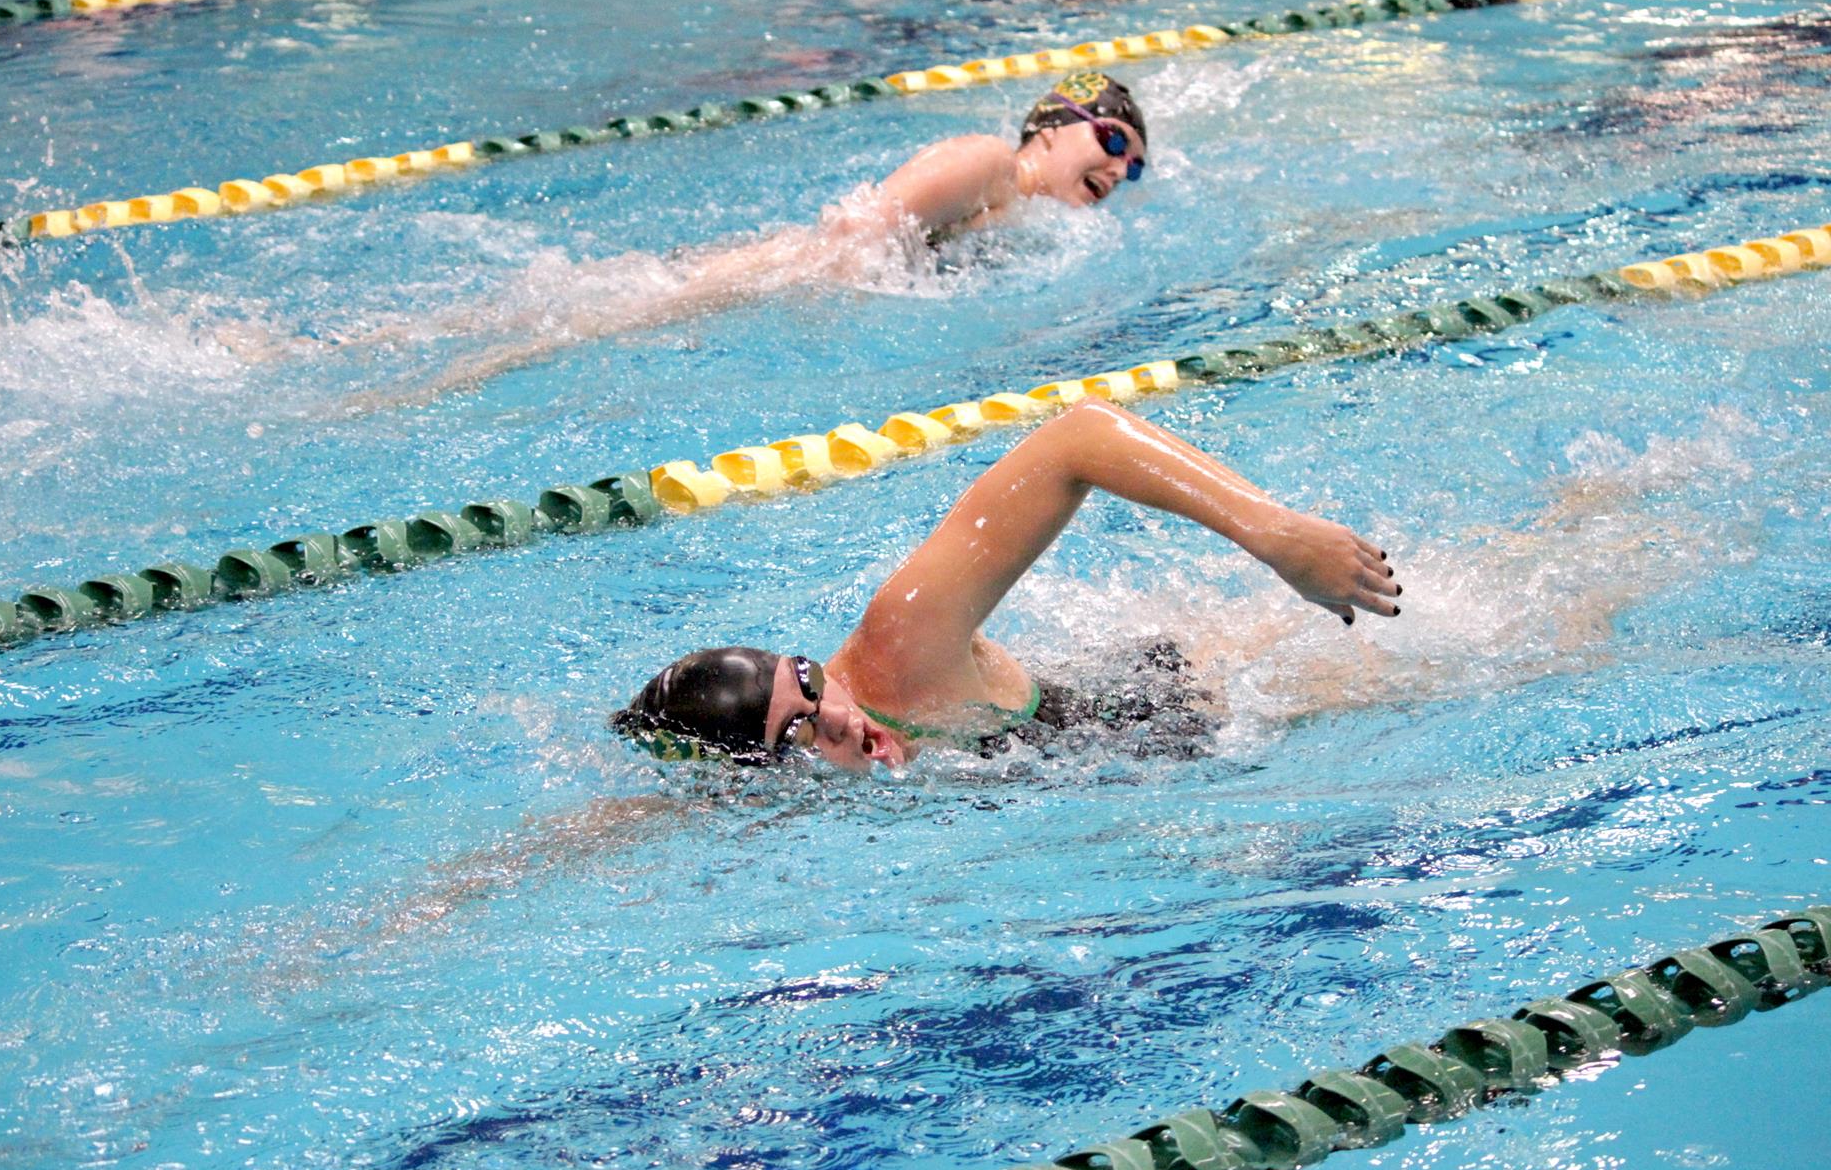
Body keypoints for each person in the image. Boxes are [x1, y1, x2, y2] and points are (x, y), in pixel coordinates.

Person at [612, 397, 1399, 771]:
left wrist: (1274, 534)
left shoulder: (897, 649)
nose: (840, 719)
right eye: (798, 731)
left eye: (810, 681)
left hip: (1212, 705)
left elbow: (1079, 437)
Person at [319, 71, 1151, 410]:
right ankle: (379, 386)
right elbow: (868, 221)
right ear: (1049, 129)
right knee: (556, 333)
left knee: (552, 321)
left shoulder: (1022, 218)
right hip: (777, 272)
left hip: (782, 280)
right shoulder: (986, 162)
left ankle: (351, 356)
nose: (1119, 169)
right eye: (1112, 141)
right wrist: (837, 307)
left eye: (1134, 168)